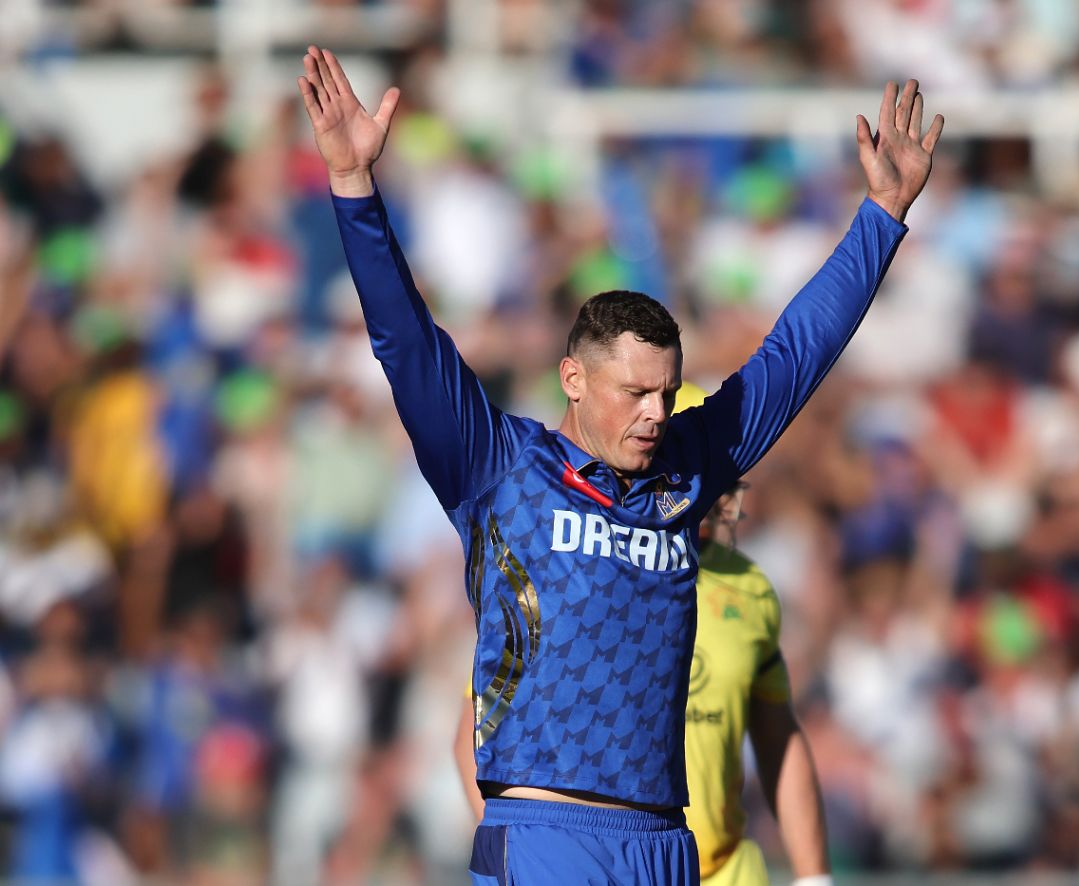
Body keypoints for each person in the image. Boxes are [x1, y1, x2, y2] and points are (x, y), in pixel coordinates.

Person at [298, 45, 942, 884]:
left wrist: (882, 215)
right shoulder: (497, 465)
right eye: (635, 392)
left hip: (666, 847)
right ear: (574, 378)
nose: (654, 412)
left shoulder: (686, 471)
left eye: (666, 392)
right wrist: (354, 187)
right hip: (544, 833)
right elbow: (404, 340)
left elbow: (793, 356)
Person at [454, 383, 833, 886]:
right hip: (589, 857)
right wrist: (532, 852)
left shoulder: (750, 589)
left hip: (718, 869)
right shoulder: (573, 567)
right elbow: (476, 733)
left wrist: (814, 878)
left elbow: (777, 736)